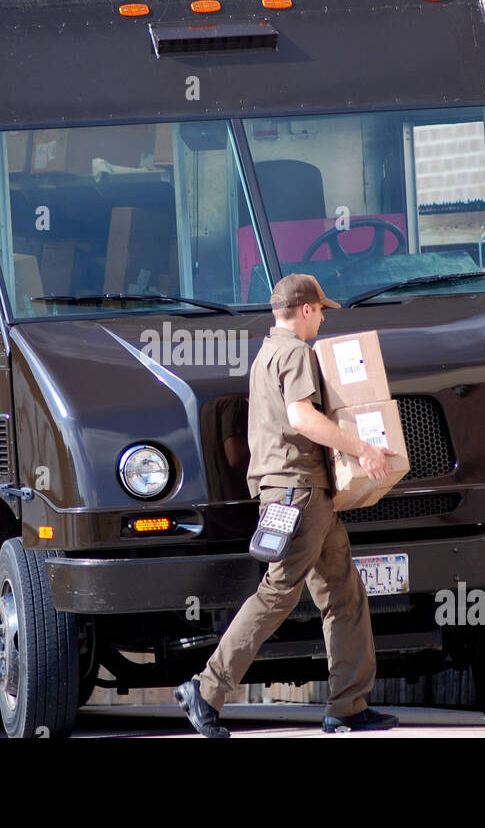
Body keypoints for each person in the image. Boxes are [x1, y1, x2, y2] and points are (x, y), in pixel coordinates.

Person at [175, 273, 400, 737]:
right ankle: (206, 688)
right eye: (320, 310)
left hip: (299, 492)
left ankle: (348, 705)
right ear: (304, 310)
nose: (321, 319)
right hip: (298, 492)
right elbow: (302, 417)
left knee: (343, 591)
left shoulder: (266, 354)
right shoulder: (296, 352)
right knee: (278, 593)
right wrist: (363, 449)